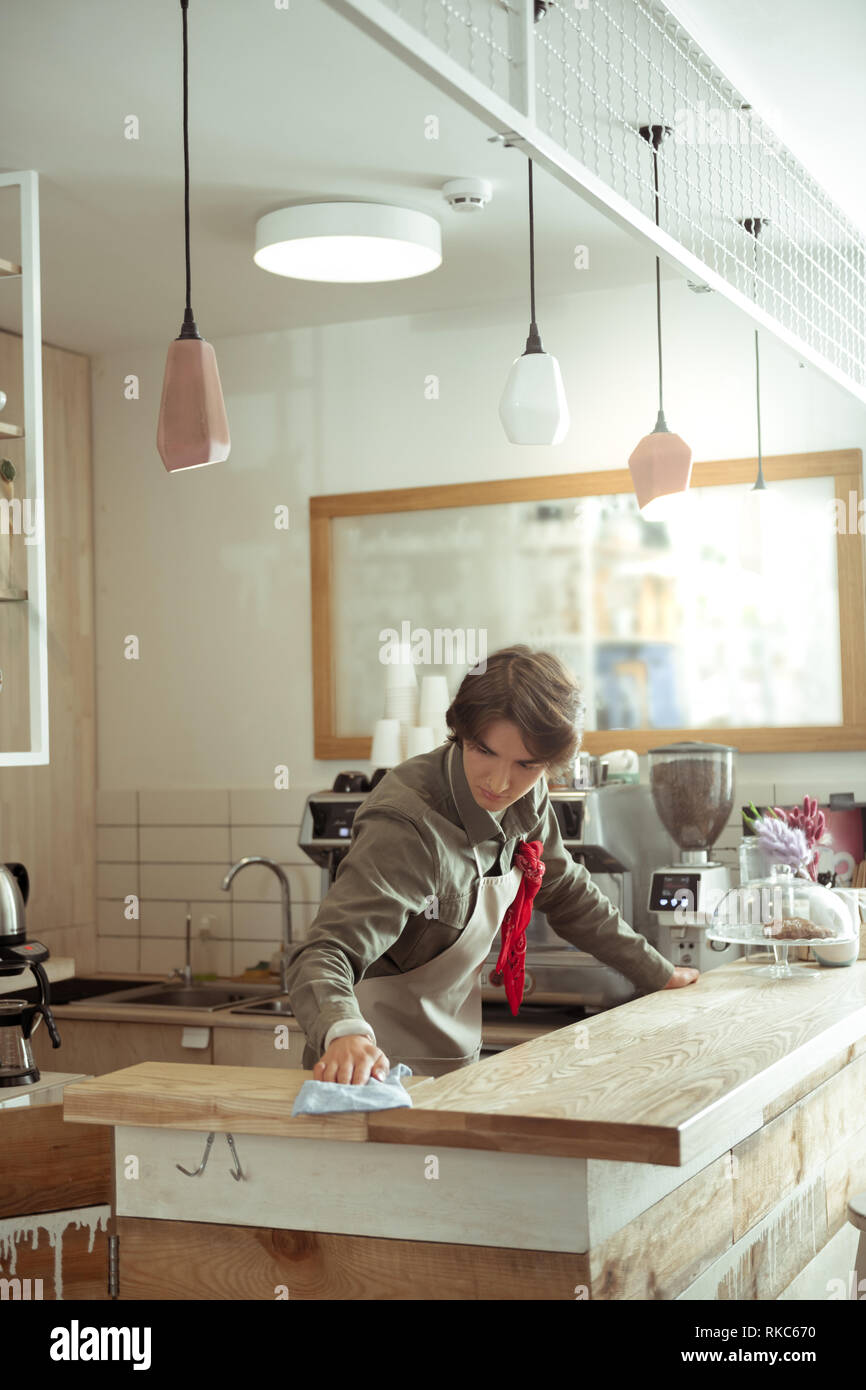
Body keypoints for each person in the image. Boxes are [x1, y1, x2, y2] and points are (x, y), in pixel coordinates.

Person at [285, 645, 698, 1085]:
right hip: (364, 1073)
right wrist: (343, 1034)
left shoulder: (528, 795)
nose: (500, 783)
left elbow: (566, 891)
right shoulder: (407, 824)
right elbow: (325, 951)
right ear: (462, 731)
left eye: (526, 764)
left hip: (452, 1065)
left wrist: (656, 971)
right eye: (484, 751)